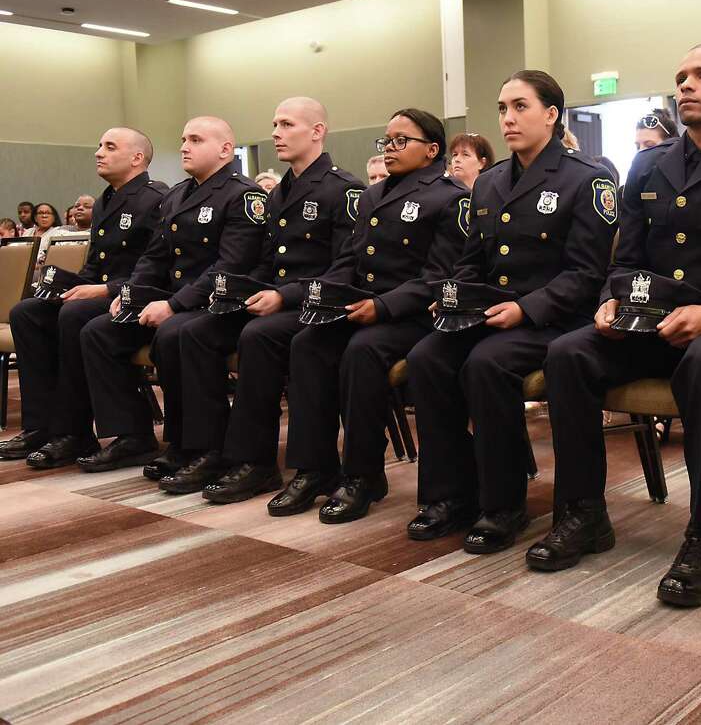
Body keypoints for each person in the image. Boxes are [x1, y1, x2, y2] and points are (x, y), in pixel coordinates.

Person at [527, 46, 701, 608]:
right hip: (653, 325)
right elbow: (625, 258)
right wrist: (611, 301)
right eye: (681, 78)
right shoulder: (649, 165)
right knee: (569, 353)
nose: (687, 86)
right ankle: (583, 513)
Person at [406, 70, 618, 552]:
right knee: (427, 358)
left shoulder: (586, 179)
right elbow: (472, 261)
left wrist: (525, 309)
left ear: (551, 114)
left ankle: (502, 504)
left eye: (520, 107)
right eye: (502, 108)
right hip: (494, 313)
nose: (508, 118)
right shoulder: (491, 181)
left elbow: (586, 273)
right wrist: (454, 293)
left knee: (487, 362)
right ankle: (451, 493)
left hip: (556, 318)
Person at [156, 98, 364, 499]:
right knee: (196, 330)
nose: (276, 133)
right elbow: (265, 262)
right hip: (276, 299)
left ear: (317, 131)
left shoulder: (344, 189)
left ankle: (258, 462)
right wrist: (239, 293)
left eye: (286, 124)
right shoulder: (280, 192)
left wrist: (281, 296)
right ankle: (210, 449)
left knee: (259, 335)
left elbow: (343, 269)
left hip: (318, 305)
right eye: (274, 124)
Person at [268, 108, 469, 522]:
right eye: (386, 140)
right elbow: (350, 261)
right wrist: (325, 295)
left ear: (431, 150)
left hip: (414, 315)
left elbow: (439, 277)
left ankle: (363, 474)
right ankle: (315, 468)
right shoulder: (374, 195)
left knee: (363, 350)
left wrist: (383, 306)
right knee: (308, 341)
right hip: (364, 305)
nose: (390, 148)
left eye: (401, 141)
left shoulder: (449, 198)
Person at [77, 116, 265, 473]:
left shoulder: (243, 194)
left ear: (226, 150)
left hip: (219, 303)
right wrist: (132, 295)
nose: (184, 146)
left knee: (177, 332)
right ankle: (133, 435)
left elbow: (230, 266)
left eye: (195, 140)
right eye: (183, 139)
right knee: (98, 331)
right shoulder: (178, 194)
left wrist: (174, 304)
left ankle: (204, 446)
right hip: (174, 302)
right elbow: (156, 257)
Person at [0, 128, 167, 466]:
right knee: (27, 312)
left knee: (74, 315)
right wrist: (67, 285)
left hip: (137, 297)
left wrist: (106, 289)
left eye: (109, 146)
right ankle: (41, 425)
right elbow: (96, 266)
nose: (98, 153)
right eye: (99, 146)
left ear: (136, 158)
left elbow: (158, 268)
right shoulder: (107, 198)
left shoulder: (156, 198)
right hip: (102, 292)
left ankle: (77, 432)